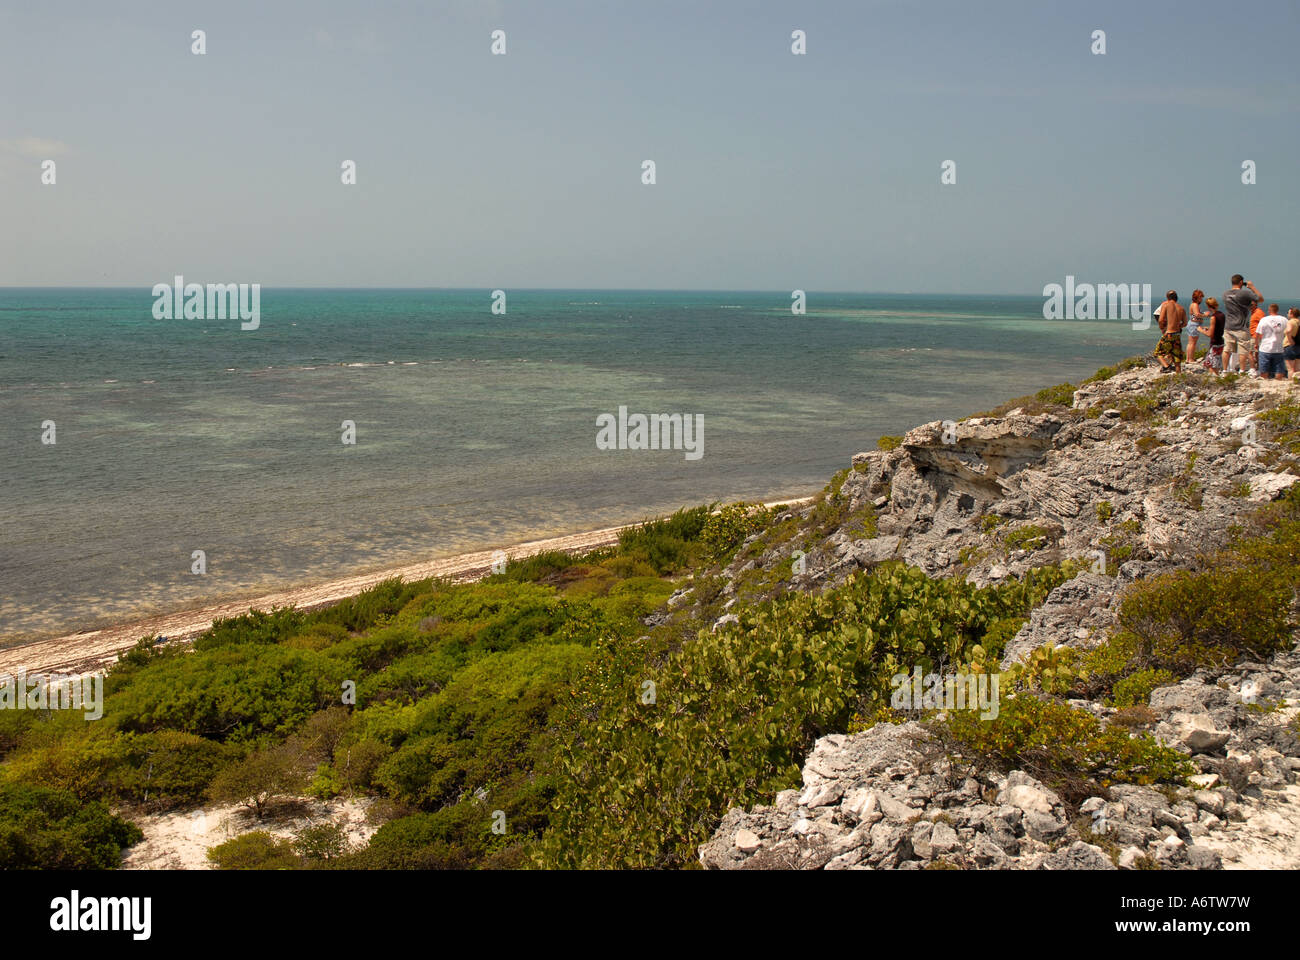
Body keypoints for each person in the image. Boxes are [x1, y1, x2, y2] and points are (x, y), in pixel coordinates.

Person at [1222, 274, 1262, 376]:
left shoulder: (1225, 294)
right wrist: (1252, 287)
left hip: (1228, 326)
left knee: (1227, 349)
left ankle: (1225, 370)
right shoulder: (1244, 293)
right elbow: (1260, 298)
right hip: (1241, 326)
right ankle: (1242, 370)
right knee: (1242, 350)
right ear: (1241, 282)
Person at [1155, 290, 1186, 373]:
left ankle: (1166, 366)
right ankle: (1178, 375)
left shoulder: (1166, 305)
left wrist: (1162, 328)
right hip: (1177, 334)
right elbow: (1185, 323)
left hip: (1169, 333)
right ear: (1176, 298)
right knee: (1176, 357)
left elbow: (1161, 320)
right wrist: (1178, 326)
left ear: (1168, 298)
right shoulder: (1181, 308)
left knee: (1158, 353)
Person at [1255, 303, 1289, 380]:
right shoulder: (1284, 320)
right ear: (1277, 310)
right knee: (1279, 370)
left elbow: (1258, 333)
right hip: (1279, 348)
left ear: (1269, 310)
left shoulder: (1264, 320)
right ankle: (1276, 385)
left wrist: (1256, 343)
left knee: (1264, 370)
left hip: (1265, 348)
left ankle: (1266, 385)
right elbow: (1288, 331)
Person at [1199, 296, 1226, 374]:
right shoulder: (1221, 315)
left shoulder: (1213, 318)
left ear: (1208, 306)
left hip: (1214, 344)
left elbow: (1210, 335)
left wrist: (1201, 330)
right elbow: (1219, 327)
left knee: (1211, 366)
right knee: (1216, 365)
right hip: (1221, 342)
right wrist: (1209, 328)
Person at [1186, 289, 1206, 363]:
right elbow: (1196, 315)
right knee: (1192, 343)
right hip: (1194, 325)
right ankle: (1190, 359)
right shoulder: (1195, 305)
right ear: (1198, 297)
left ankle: (1188, 358)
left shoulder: (1192, 304)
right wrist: (1205, 315)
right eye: (1201, 297)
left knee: (1190, 342)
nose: (1201, 299)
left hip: (1191, 324)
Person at [1284, 307, 1300, 378]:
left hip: (1289, 346)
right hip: (1298, 346)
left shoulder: (1290, 322)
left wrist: (1290, 340)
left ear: (1292, 314)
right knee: (1297, 369)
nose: (1287, 314)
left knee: (1290, 369)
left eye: (1288, 313)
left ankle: (1290, 383)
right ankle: (1296, 383)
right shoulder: (1298, 322)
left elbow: (1288, 331)